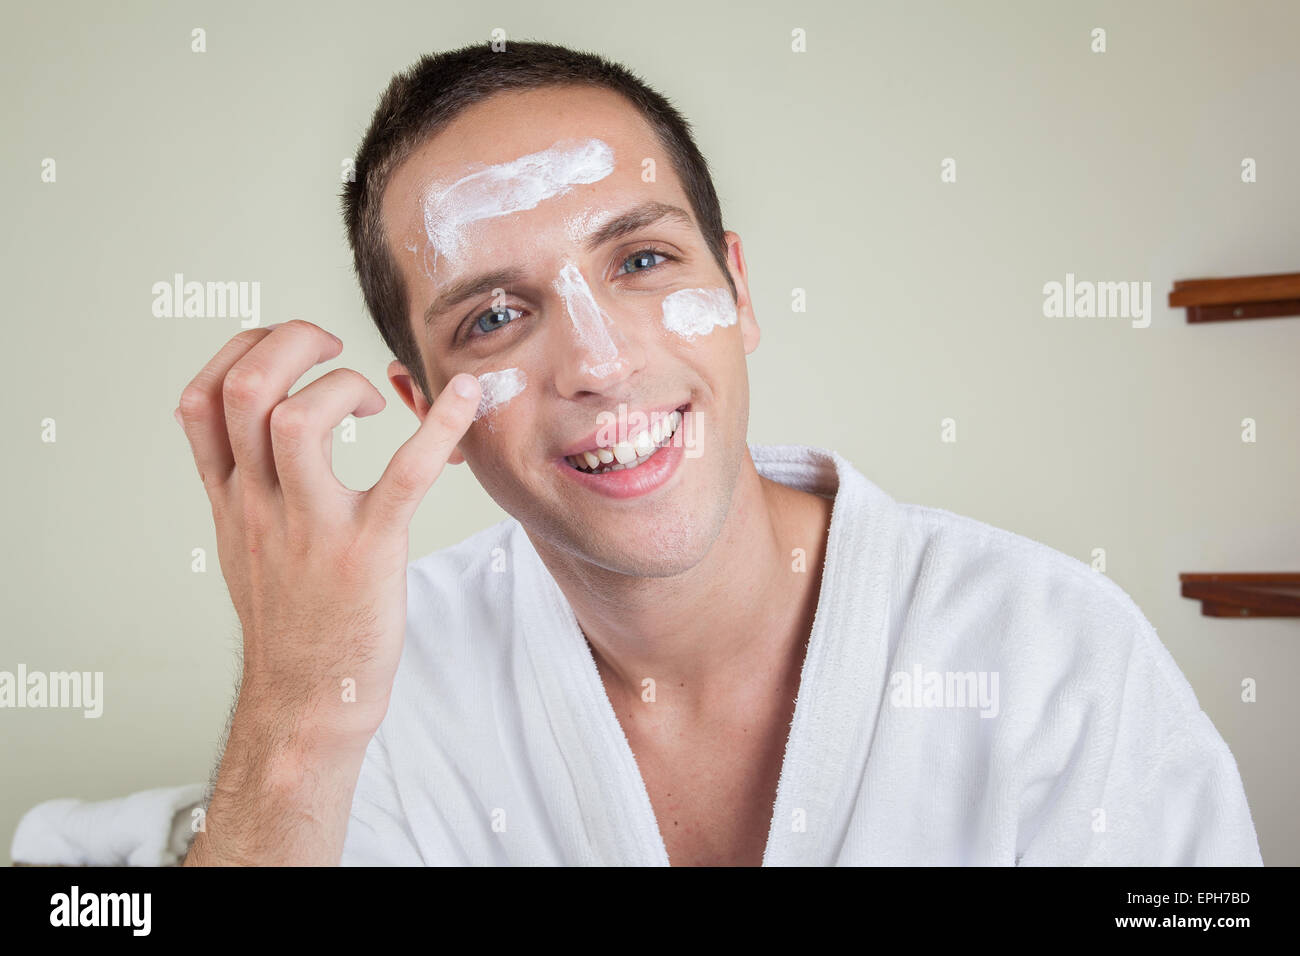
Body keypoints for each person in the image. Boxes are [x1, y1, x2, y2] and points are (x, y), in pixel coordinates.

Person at [178, 41, 1262, 866]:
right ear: (428, 408)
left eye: (643, 257)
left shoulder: (1052, 649)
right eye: (496, 317)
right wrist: (296, 711)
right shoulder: (385, 687)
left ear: (737, 289)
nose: (598, 362)